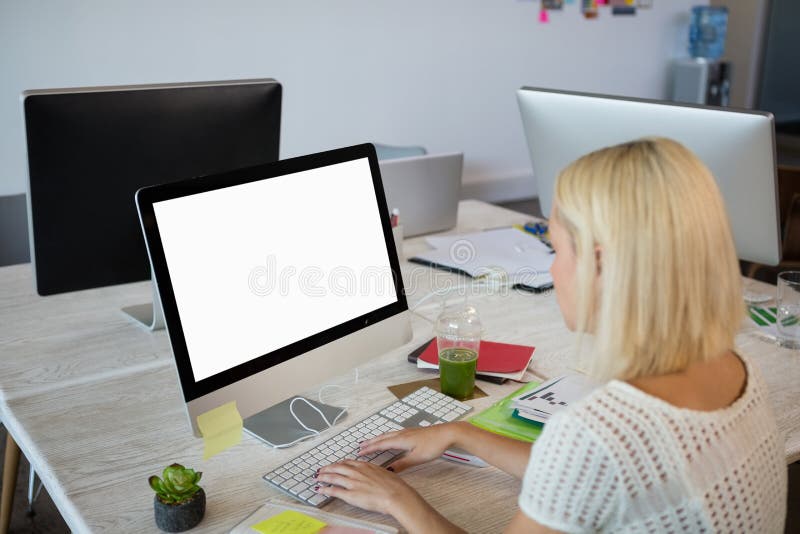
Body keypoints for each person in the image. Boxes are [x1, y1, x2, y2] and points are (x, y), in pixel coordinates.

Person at [315, 138, 788, 533]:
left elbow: (589, 458)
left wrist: (399, 502)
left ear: (600, 263)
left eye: (555, 248)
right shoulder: (733, 365)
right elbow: (587, 475)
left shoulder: (599, 433)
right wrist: (462, 433)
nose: (551, 267)